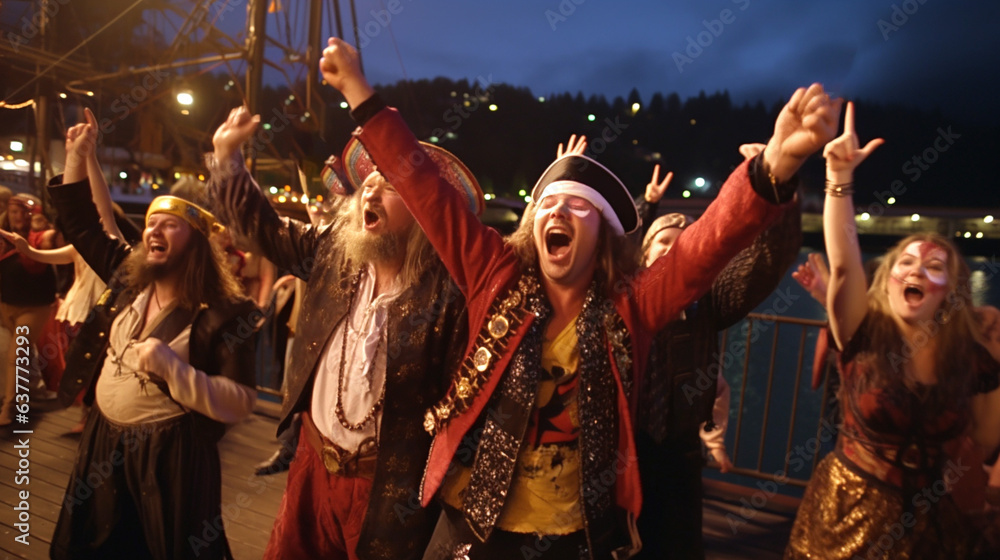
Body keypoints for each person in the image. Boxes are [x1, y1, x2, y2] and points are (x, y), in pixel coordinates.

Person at [318, 36, 840, 558]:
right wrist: (360, 94)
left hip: (575, 535)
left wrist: (773, 166)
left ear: (605, 238)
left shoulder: (630, 304)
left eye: (578, 206)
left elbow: (703, 248)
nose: (558, 212)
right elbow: (428, 191)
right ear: (533, 223)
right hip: (476, 524)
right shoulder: (492, 273)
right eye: (548, 203)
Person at [206, 102, 479, 560]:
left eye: (389, 185)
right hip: (312, 464)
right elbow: (264, 230)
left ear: (424, 208)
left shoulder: (450, 297)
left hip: (390, 490)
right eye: (367, 183)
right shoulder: (333, 252)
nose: (369, 193)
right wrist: (227, 157)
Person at [784, 102, 1000, 559]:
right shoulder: (863, 332)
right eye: (906, 261)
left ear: (951, 292)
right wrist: (839, 179)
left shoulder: (971, 359)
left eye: (934, 265)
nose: (916, 270)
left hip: (927, 525)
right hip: (848, 513)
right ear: (889, 278)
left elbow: (985, 437)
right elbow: (844, 265)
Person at [47, 110, 259, 559]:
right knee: (94, 545)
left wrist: (173, 369)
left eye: (169, 224)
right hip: (103, 439)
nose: (152, 230)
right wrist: (76, 156)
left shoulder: (226, 312)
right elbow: (84, 224)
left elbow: (240, 400)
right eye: (150, 223)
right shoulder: (129, 278)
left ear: (196, 245)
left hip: (170, 456)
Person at [634, 148, 802, 559]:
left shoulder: (709, 303)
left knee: (676, 546)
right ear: (643, 254)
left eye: (684, 243)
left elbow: (763, 263)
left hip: (678, 456)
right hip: (622, 452)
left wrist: (778, 183)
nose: (674, 250)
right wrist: (647, 205)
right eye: (663, 242)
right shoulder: (622, 299)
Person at [1, 192, 58, 425]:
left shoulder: (41, 237)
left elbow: (55, 240)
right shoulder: (3, 236)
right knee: (15, 354)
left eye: (22, 212)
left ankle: (8, 408)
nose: (17, 217)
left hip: (35, 307)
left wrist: (41, 225)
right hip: (5, 306)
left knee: (17, 354)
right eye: (13, 212)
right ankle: (33, 389)